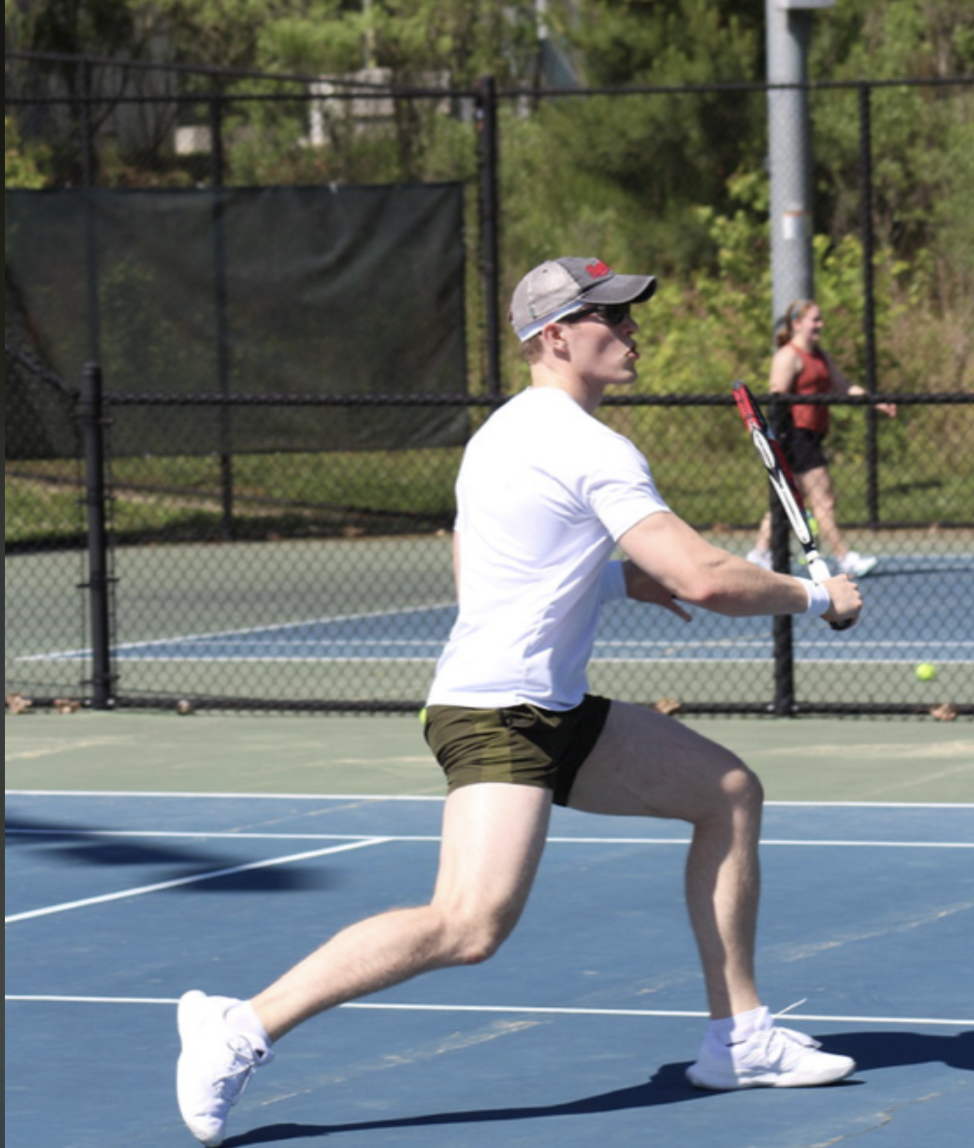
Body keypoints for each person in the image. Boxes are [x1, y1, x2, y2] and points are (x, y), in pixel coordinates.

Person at [175, 257, 864, 1147]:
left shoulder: (501, 434)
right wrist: (816, 597)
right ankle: (238, 1028)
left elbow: (486, 565)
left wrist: (613, 581)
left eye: (628, 317)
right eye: (611, 319)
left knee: (727, 793)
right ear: (555, 336)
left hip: (547, 704)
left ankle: (740, 1037)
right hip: (501, 710)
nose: (631, 333)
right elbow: (702, 573)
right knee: (468, 924)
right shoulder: (591, 446)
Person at [746, 298, 897, 577]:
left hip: (813, 435)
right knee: (823, 500)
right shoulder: (787, 356)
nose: (820, 325)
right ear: (796, 324)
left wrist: (876, 401)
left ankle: (759, 552)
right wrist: (779, 440)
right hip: (794, 436)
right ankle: (845, 558)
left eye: (820, 319)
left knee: (788, 499)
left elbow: (844, 385)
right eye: (814, 319)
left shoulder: (820, 356)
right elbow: (776, 399)